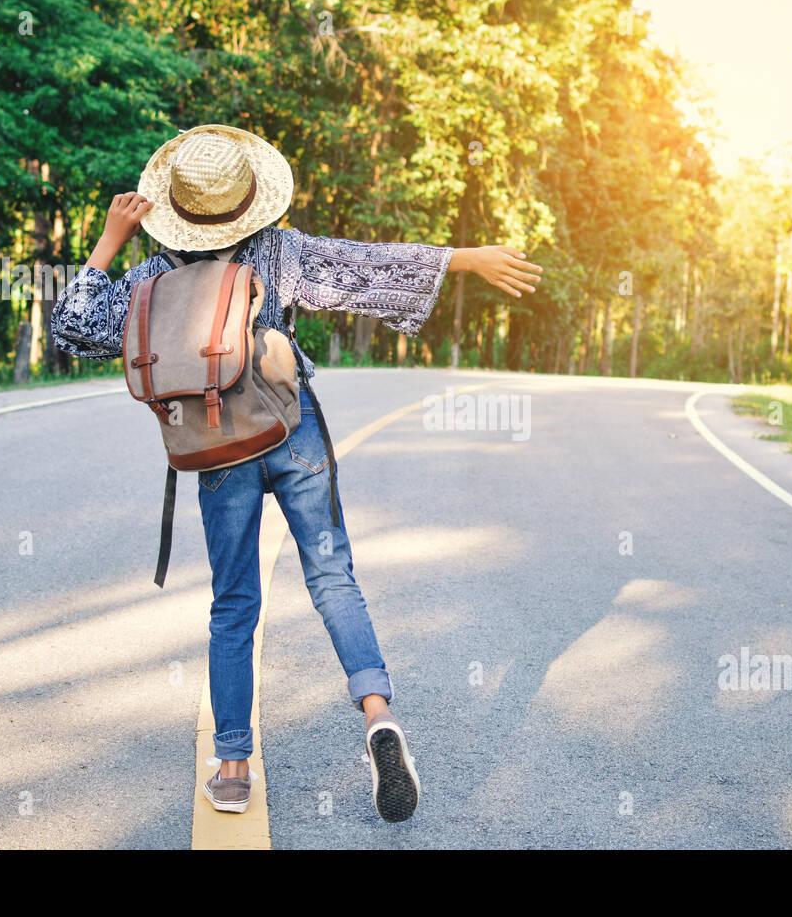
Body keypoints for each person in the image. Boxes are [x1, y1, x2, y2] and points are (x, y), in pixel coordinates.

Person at [52, 124, 542, 823]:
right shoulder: (281, 250)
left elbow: (77, 328)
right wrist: (466, 258)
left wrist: (110, 238)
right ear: (250, 198)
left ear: (176, 207)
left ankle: (231, 765)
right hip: (291, 424)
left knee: (233, 604)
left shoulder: (155, 276)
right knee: (332, 574)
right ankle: (376, 714)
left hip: (218, 444)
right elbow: (369, 265)